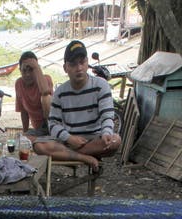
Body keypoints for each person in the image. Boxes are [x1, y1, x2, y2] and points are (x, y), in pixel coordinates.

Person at [32, 40, 121, 173]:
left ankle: (69, 153)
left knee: (115, 140)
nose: (79, 68)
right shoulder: (60, 92)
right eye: (73, 64)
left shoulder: (101, 85)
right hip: (69, 140)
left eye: (82, 62)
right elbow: (53, 124)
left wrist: (106, 133)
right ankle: (86, 158)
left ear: (87, 63)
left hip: (94, 139)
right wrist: (69, 138)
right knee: (38, 146)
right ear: (65, 68)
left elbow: (107, 116)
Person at [14, 51, 54, 138]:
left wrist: (36, 66)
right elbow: (23, 111)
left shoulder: (46, 79)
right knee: (22, 140)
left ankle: (52, 134)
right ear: (20, 70)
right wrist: (25, 132)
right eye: (24, 70)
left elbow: (45, 92)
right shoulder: (19, 83)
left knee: (45, 98)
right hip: (38, 129)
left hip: (52, 125)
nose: (28, 74)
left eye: (31, 70)